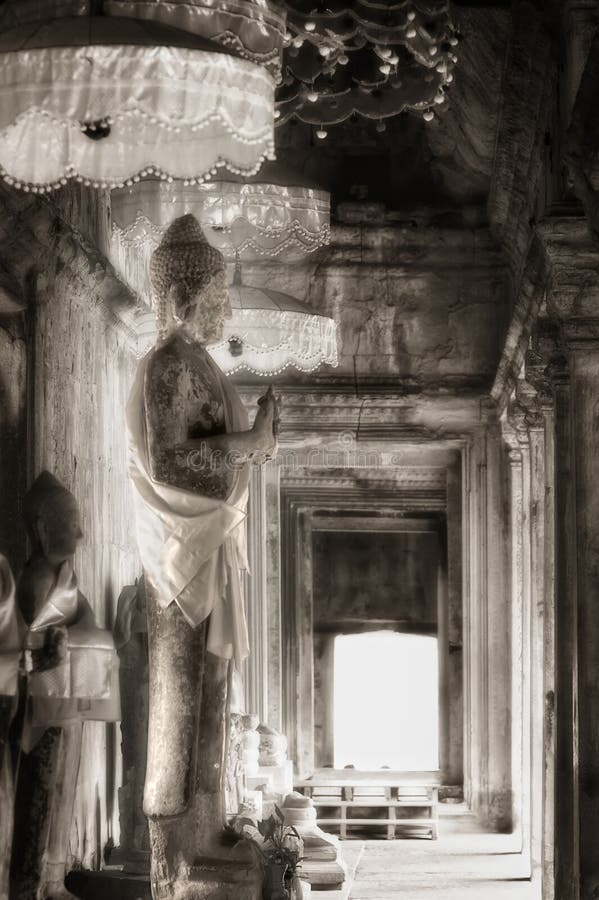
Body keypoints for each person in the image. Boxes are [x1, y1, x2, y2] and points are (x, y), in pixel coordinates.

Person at [126, 214, 278, 899]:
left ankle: (210, 821)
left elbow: (219, 449)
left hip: (209, 538)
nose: (226, 307)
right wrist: (248, 443)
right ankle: (172, 850)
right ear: (184, 294)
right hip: (179, 549)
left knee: (214, 693)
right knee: (179, 699)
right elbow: (172, 460)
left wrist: (256, 439)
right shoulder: (167, 366)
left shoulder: (200, 365)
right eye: (218, 294)